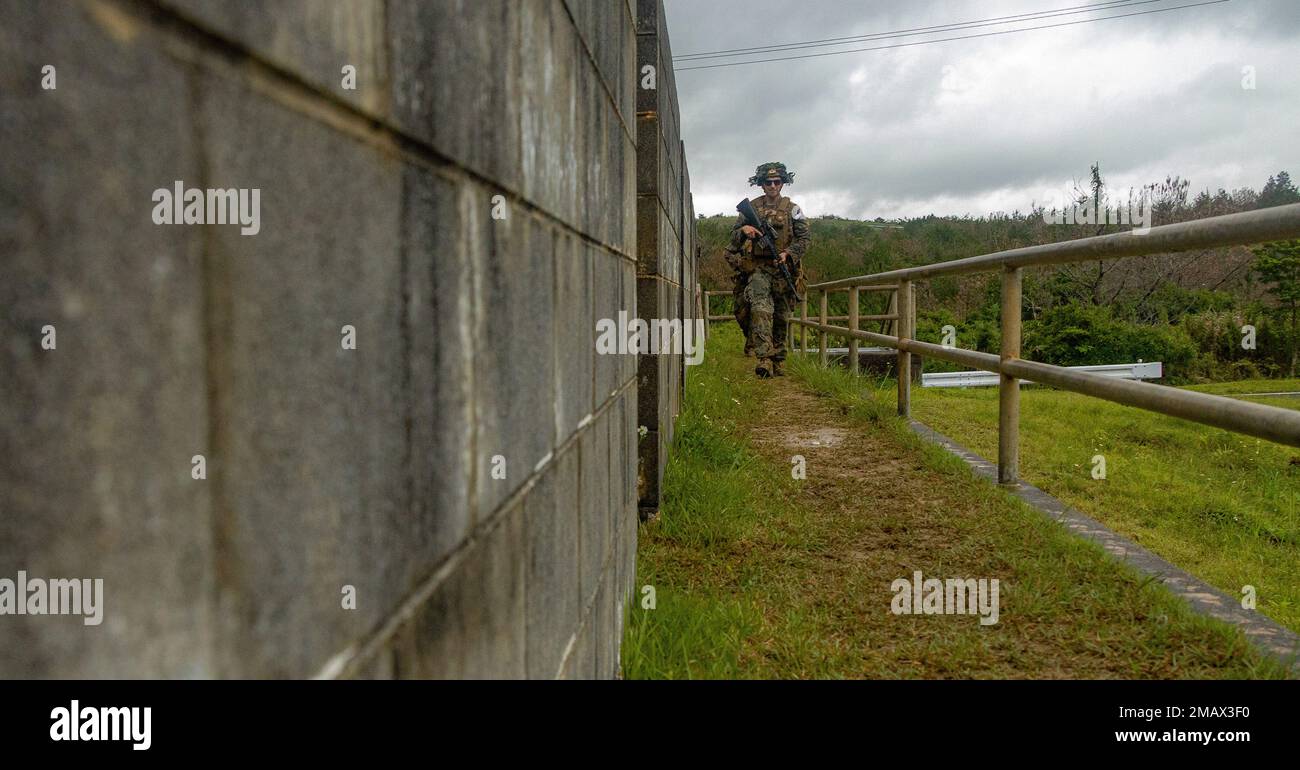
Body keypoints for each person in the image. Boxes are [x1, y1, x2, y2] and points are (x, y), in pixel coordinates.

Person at [729, 161, 810, 377]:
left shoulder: (794, 209)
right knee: (760, 310)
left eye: (777, 182)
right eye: (768, 182)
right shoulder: (751, 209)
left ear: (783, 183)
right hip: (759, 270)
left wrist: (788, 254)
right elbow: (733, 240)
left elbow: (804, 239)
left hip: (784, 270)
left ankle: (778, 360)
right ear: (761, 184)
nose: (773, 186)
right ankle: (763, 358)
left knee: (782, 316)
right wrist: (745, 230)